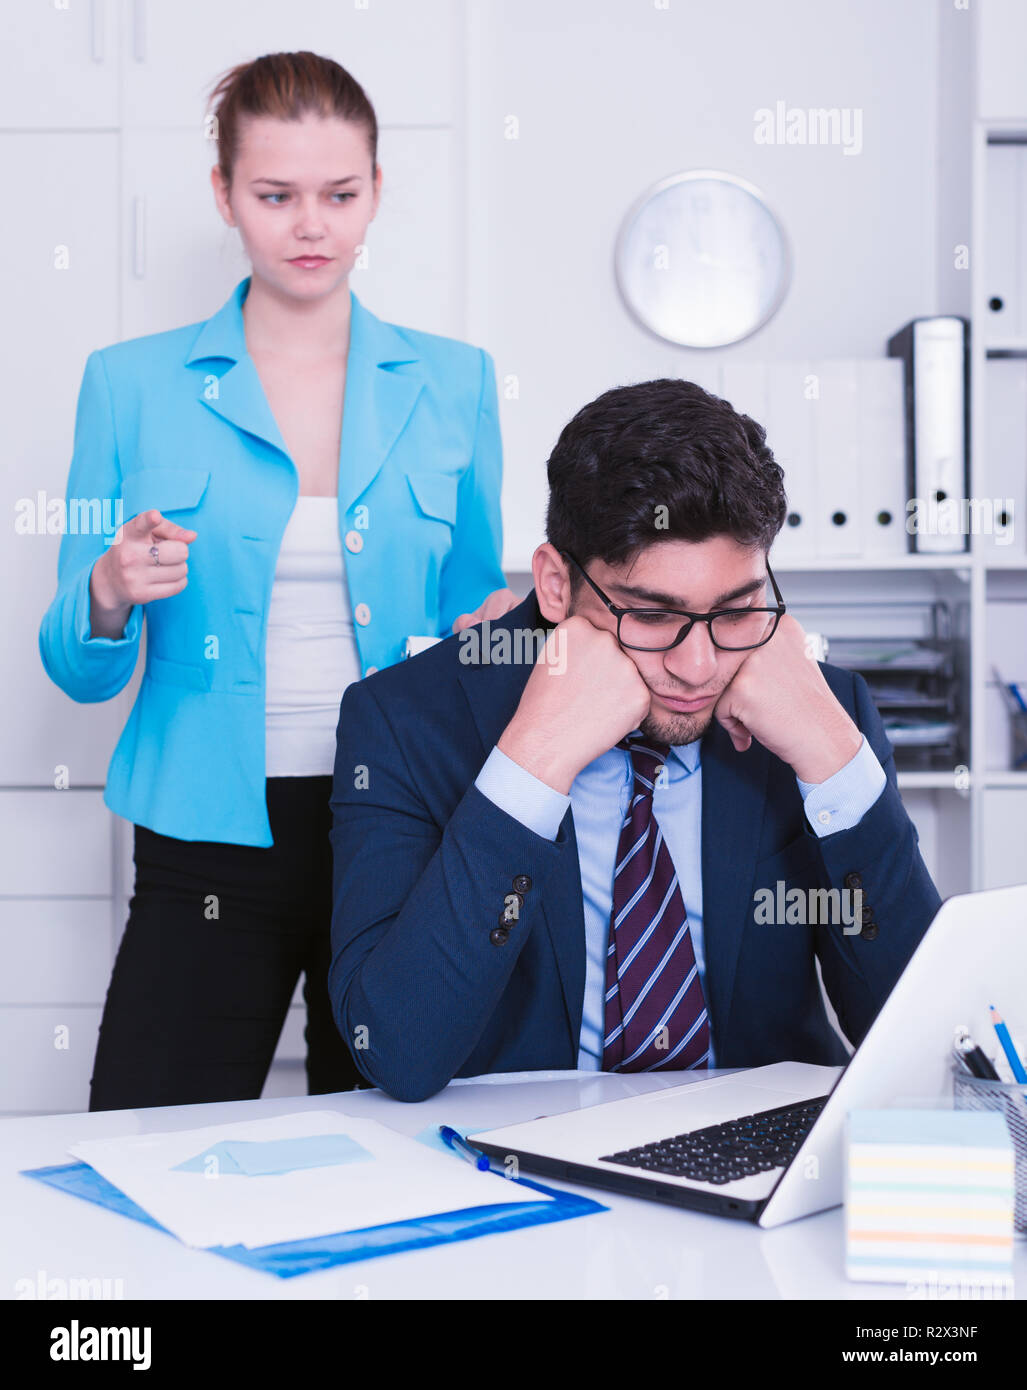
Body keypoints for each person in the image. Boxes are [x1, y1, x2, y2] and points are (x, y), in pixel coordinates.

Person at [38, 50, 517, 1111]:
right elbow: (69, 661)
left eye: (340, 195)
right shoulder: (128, 386)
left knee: (405, 1152)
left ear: (377, 193)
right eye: (276, 195)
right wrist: (112, 589)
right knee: (148, 1137)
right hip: (208, 836)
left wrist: (503, 626)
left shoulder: (454, 382)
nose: (312, 225)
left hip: (401, 830)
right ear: (224, 196)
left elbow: (474, 622)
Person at [327, 378, 942, 1102]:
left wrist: (836, 767)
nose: (697, 667)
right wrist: (534, 762)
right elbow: (395, 1050)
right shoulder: (406, 718)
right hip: (516, 1165)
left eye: (737, 608)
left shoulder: (823, 707)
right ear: (555, 584)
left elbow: (923, 1046)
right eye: (652, 616)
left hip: (758, 1157)